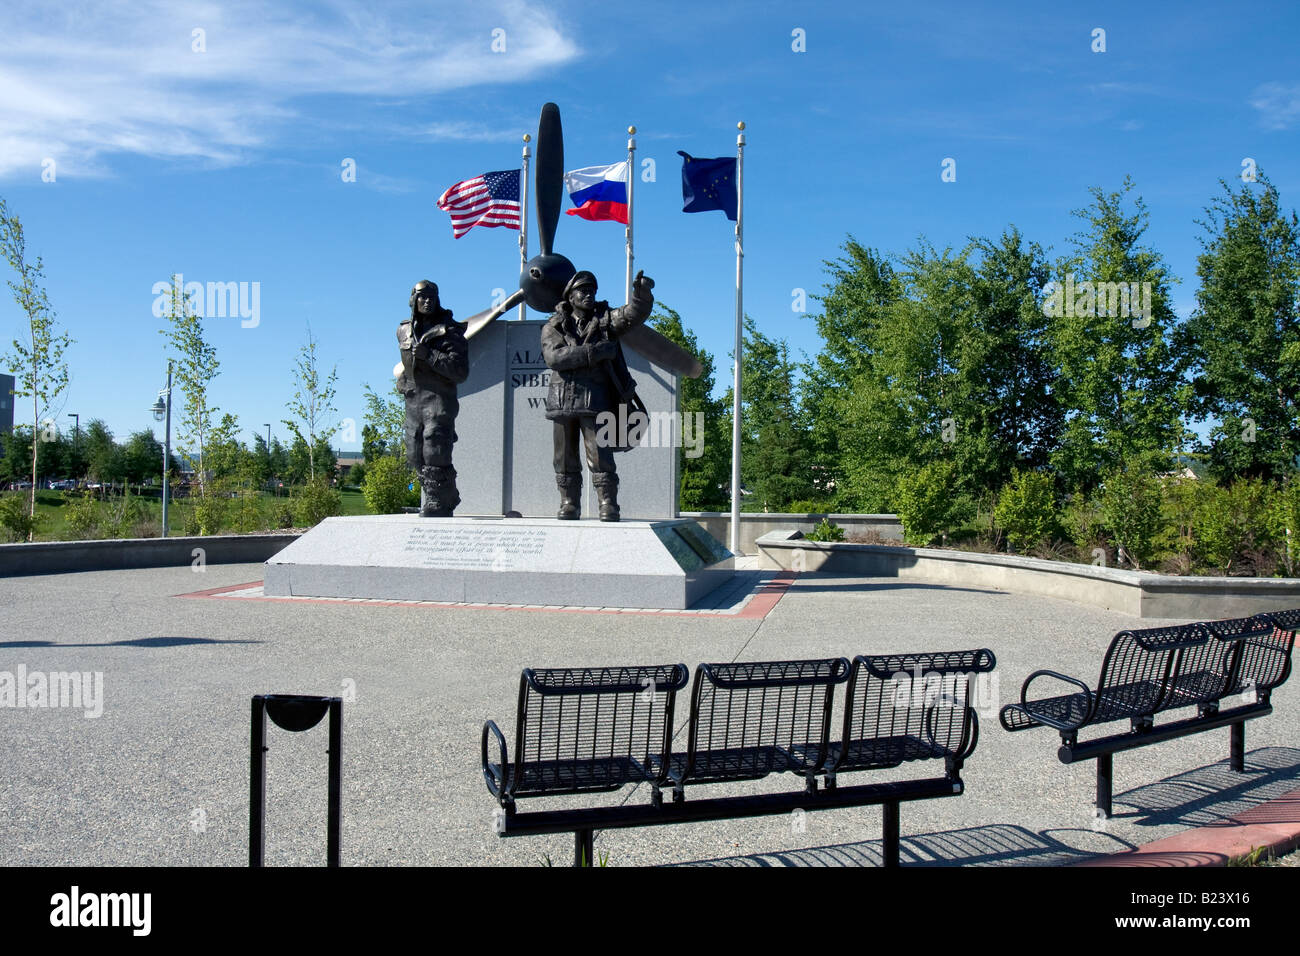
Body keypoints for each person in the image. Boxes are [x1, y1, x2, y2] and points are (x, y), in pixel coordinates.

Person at [540, 268, 654, 521]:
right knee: (564, 457)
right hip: (561, 401)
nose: (589, 294)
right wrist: (594, 353)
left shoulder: (606, 320)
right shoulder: (553, 325)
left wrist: (642, 296)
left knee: (601, 455)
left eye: (592, 290)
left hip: (596, 400)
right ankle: (569, 502)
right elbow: (554, 358)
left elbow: (633, 314)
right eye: (583, 290)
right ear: (570, 296)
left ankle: (608, 503)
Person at [396, 280, 469, 517]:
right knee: (414, 452)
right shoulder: (403, 330)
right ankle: (448, 494)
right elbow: (407, 365)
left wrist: (430, 355)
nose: (427, 301)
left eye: (431, 297)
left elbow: (460, 372)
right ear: (413, 300)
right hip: (414, 400)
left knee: (434, 445)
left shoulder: (451, 330)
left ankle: (436, 500)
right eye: (422, 297)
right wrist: (404, 381)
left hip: (439, 398)